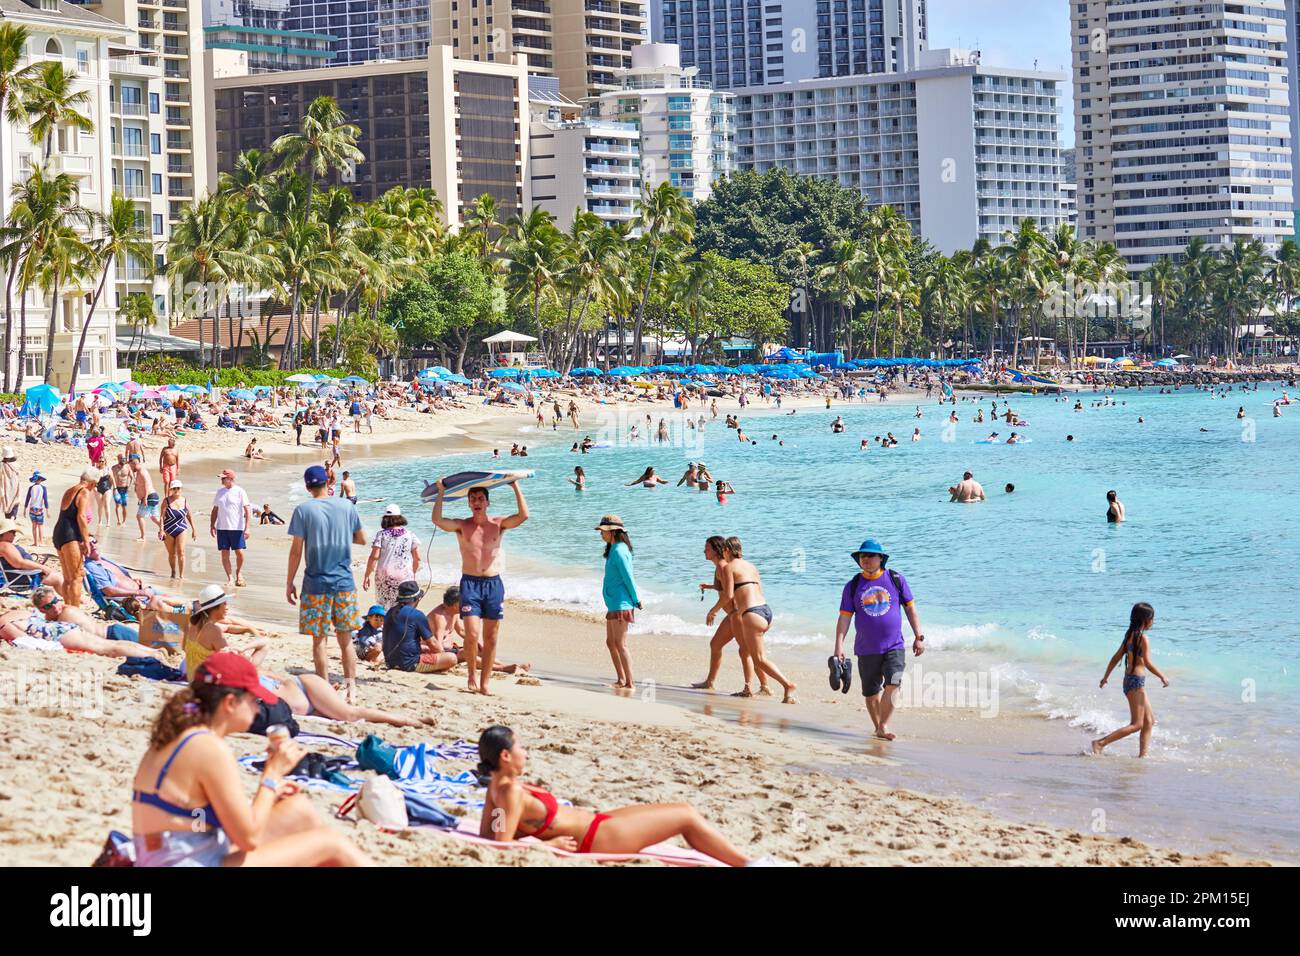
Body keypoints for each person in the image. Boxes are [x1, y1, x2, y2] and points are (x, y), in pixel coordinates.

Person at [130, 652, 372, 866]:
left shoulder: (183, 735)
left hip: (172, 853)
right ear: (230, 703)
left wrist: (269, 794)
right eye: (253, 701)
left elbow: (194, 818)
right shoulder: (209, 748)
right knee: (331, 844)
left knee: (299, 811)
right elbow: (249, 839)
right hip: (186, 860)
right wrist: (271, 775)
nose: (258, 709)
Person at [475, 726, 765, 865]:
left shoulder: (497, 788)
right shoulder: (510, 791)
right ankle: (748, 864)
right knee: (686, 815)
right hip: (597, 838)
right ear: (505, 755)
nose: (525, 753)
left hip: (599, 824)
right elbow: (502, 845)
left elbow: (490, 834)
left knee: (680, 810)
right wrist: (549, 845)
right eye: (520, 748)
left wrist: (536, 836)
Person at [430, 480, 528, 695]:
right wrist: (441, 493)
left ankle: (485, 683)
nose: (476, 502)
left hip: (493, 584)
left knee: (492, 638)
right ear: (468, 503)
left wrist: (514, 486)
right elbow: (437, 519)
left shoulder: (498, 523)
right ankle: (472, 675)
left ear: (487, 502)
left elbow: (523, 516)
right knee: (472, 635)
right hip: (470, 584)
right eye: (472, 499)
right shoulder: (462, 526)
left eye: (480, 499)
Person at [287, 465, 365, 703]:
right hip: (343, 582)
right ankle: (351, 687)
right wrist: (340, 535)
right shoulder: (346, 506)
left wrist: (289, 582)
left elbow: (296, 551)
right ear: (328, 483)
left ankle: (324, 689)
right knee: (345, 639)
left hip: (315, 583)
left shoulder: (302, 510)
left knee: (319, 640)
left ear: (308, 486)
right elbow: (361, 539)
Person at [833, 539, 925, 741]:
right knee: (871, 692)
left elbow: (911, 609)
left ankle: (883, 724)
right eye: (862, 556)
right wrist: (838, 645)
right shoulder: (853, 585)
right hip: (867, 648)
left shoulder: (895, 579)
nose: (865, 559)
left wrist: (918, 637)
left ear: (880, 558)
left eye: (870, 555)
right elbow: (844, 618)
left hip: (895, 645)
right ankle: (878, 728)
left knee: (894, 683)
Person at [712, 537, 796, 703]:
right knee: (746, 651)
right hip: (765, 611)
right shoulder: (751, 566)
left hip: (752, 614)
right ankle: (751, 687)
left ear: (727, 551)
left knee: (759, 659)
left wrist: (713, 611)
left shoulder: (729, 567)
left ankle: (788, 685)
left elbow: (728, 595)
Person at [1092, 603, 1169, 757]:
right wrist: (1162, 676)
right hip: (1136, 683)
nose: (1153, 622)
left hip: (1129, 681)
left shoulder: (1129, 635)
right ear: (1146, 619)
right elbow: (1147, 663)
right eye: (1152, 618)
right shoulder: (1143, 639)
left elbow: (1116, 658)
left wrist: (1106, 677)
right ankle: (1100, 743)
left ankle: (1143, 756)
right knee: (1137, 724)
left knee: (1149, 721)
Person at [24, 587, 170, 659]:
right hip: (112, 634)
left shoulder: (65, 614)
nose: (55, 606)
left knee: (165, 646)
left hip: (114, 633)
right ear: (42, 610)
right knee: (158, 644)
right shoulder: (57, 616)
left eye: (55, 601)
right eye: (48, 606)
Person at [597, 515, 640, 689]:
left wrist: (636, 600)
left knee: (620, 644)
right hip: (614, 603)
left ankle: (630, 682)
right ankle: (621, 679)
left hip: (622, 603)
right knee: (611, 642)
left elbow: (628, 577)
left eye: (603, 531)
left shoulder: (620, 551)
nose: (601, 534)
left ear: (613, 532)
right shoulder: (614, 549)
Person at [363, 503, 422, 609]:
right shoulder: (410, 534)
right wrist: (412, 573)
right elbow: (417, 558)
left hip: (384, 576)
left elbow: (374, 557)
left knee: (385, 606)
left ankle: (387, 623)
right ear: (400, 517)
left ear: (385, 519)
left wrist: (367, 575)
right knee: (404, 606)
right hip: (404, 575)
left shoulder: (381, 535)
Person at [52, 469, 96, 608]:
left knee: (68, 578)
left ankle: (67, 607)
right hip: (70, 535)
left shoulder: (70, 490)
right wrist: (86, 541)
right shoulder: (84, 491)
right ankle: (74, 611)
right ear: (92, 482)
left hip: (59, 532)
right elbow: (81, 517)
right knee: (77, 577)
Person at [211, 469, 251, 588]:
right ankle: (230, 578)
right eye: (221, 478)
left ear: (231, 478)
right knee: (224, 554)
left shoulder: (240, 491)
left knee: (239, 552)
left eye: (223, 478)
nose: (221, 480)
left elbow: (248, 510)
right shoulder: (220, 492)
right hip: (222, 528)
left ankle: (239, 573)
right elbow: (215, 510)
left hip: (237, 527)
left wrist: (247, 528)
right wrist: (212, 524)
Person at [0, 517, 63, 593]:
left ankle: (70, 599)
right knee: (59, 579)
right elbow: (19, 563)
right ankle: (71, 601)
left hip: (20, 576)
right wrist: (42, 567)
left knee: (59, 578)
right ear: (4, 533)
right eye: (13, 532)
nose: (15, 535)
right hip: (25, 578)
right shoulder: (5, 545)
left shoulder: (5, 546)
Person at [161, 480, 195, 580]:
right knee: (172, 554)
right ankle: (173, 571)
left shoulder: (185, 501)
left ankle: (181, 575)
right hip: (168, 529)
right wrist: (161, 530)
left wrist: (194, 529)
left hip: (181, 528)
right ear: (171, 489)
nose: (176, 490)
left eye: (178, 488)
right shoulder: (166, 501)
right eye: (174, 488)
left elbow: (189, 516)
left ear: (181, 489)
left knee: (181, 551)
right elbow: (162, 517)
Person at [132, 456, 161, 543]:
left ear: (135, 464)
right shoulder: (139, 472)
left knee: (139, 516)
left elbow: (147, 485)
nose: (132, 468)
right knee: (154, 517)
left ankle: (143, 537)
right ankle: (165, 529)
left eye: (132, 466)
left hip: (149, 497)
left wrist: (144, 498)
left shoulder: (142, 472)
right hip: (152, 497)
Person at [24, 471, 48, 548]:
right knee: (40, 526)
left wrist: (25, 509)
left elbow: (27, 499)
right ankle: (41, 541)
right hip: (39, 510)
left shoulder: (31, 488)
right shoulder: (43, 488)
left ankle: (35, 542)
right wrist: (47, 511)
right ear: (40, 479)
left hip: (31, 509)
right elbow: (45, 500)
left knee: (34, 526)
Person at [110, 454, 131, 526]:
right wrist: (114, 488)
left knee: (124, 506)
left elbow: (131, 477)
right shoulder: (114, 468)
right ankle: (118, 520)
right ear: (118, 459)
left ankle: (124, 521)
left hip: (125, 489)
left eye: (124, 458)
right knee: (118, 505)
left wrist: (129, 486)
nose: (124, 460)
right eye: (122, 458)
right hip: (117, 489)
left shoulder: (128, 467)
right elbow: (111, 478)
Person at [0, 446, 19, 520]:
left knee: (7, 507)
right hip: (15, 488)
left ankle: (9, 523)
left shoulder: (2, 466)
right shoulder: (16, 465)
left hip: (6, 489)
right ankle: (12, 520)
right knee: (15, 505)